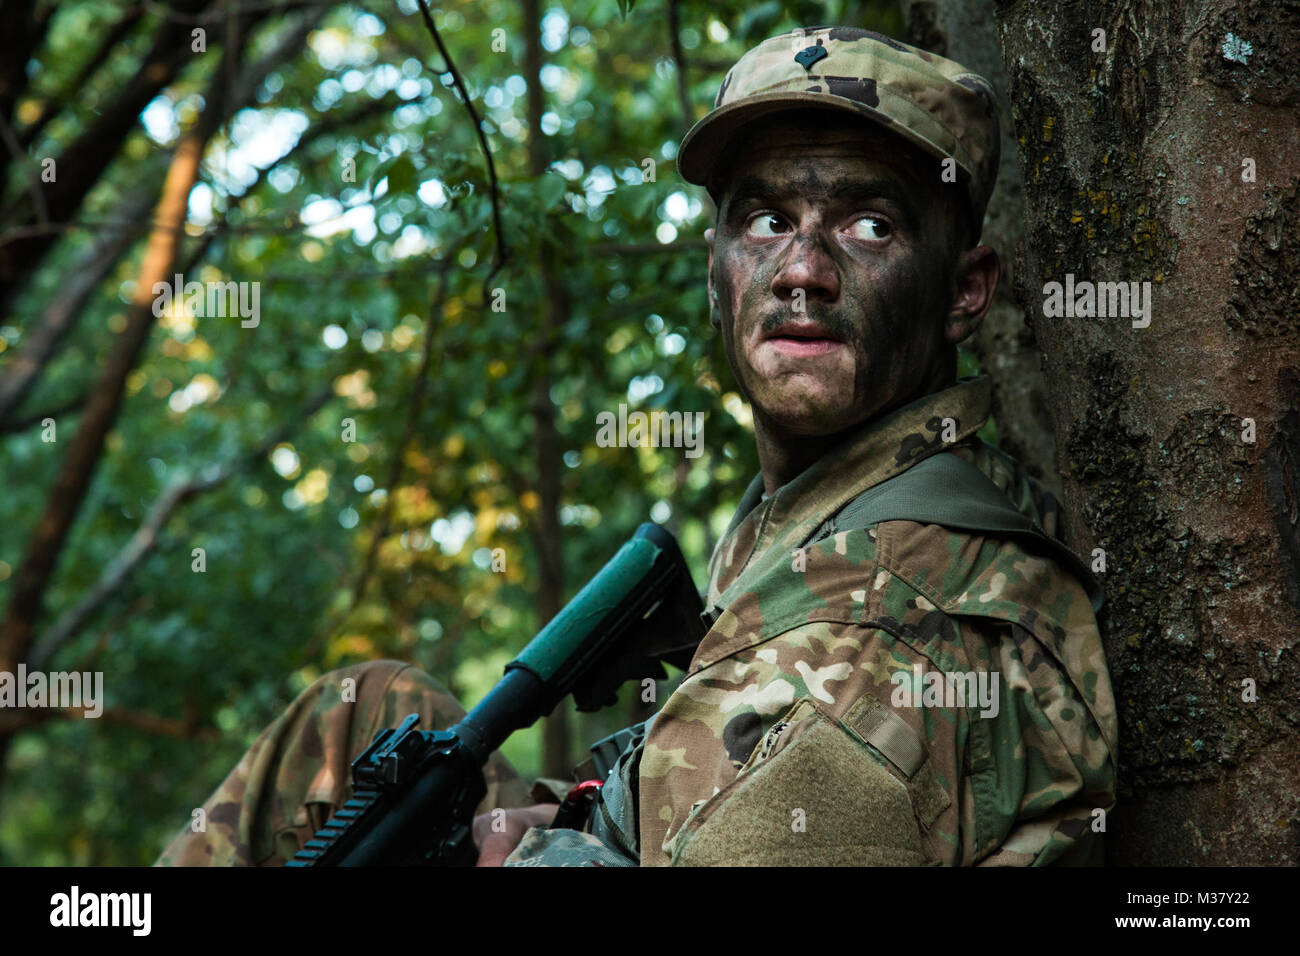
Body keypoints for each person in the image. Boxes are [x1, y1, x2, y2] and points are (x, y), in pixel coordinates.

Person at [157, 25, 1117, 868]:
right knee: (360, 714)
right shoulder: (859, 503)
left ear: (965, 288)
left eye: (870, 226)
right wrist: (564, 815)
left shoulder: (882, 626)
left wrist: (526, 856)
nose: (804, 271)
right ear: (717, 271)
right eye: (767, 220)